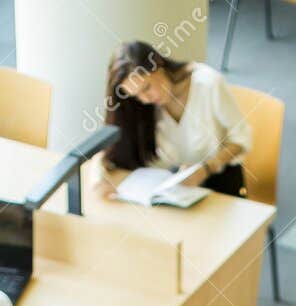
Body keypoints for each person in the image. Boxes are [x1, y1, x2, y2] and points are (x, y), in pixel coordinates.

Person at [101, 41, 251, 196]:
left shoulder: (208, 84)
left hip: (220, 181)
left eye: (146, 88)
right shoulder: (142, 105)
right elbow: (112, 153)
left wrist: (206, 168)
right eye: (136, 95)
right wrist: (98, 174)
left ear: (158, 64)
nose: (145, 99)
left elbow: (240, 139)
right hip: (177, 183)